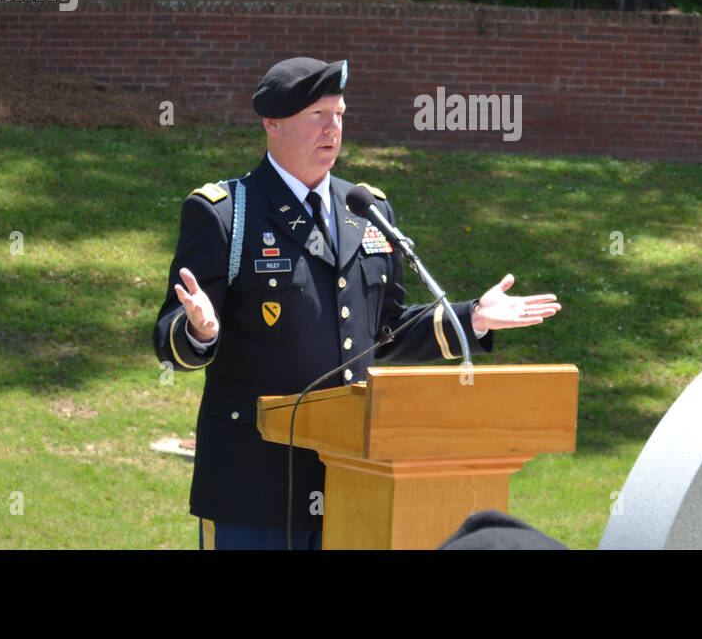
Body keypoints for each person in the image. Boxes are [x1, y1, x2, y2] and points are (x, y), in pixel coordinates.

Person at [153, 56, 561, 549]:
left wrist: (469, 318)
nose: (333, 129)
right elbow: (169, 334)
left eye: (340, 114)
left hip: (353, 480)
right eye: (317, 116)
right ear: (273, 124)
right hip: (253, 485)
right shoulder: (226, 212)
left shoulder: (365, 209)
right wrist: (199, 331)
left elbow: (381, 333)